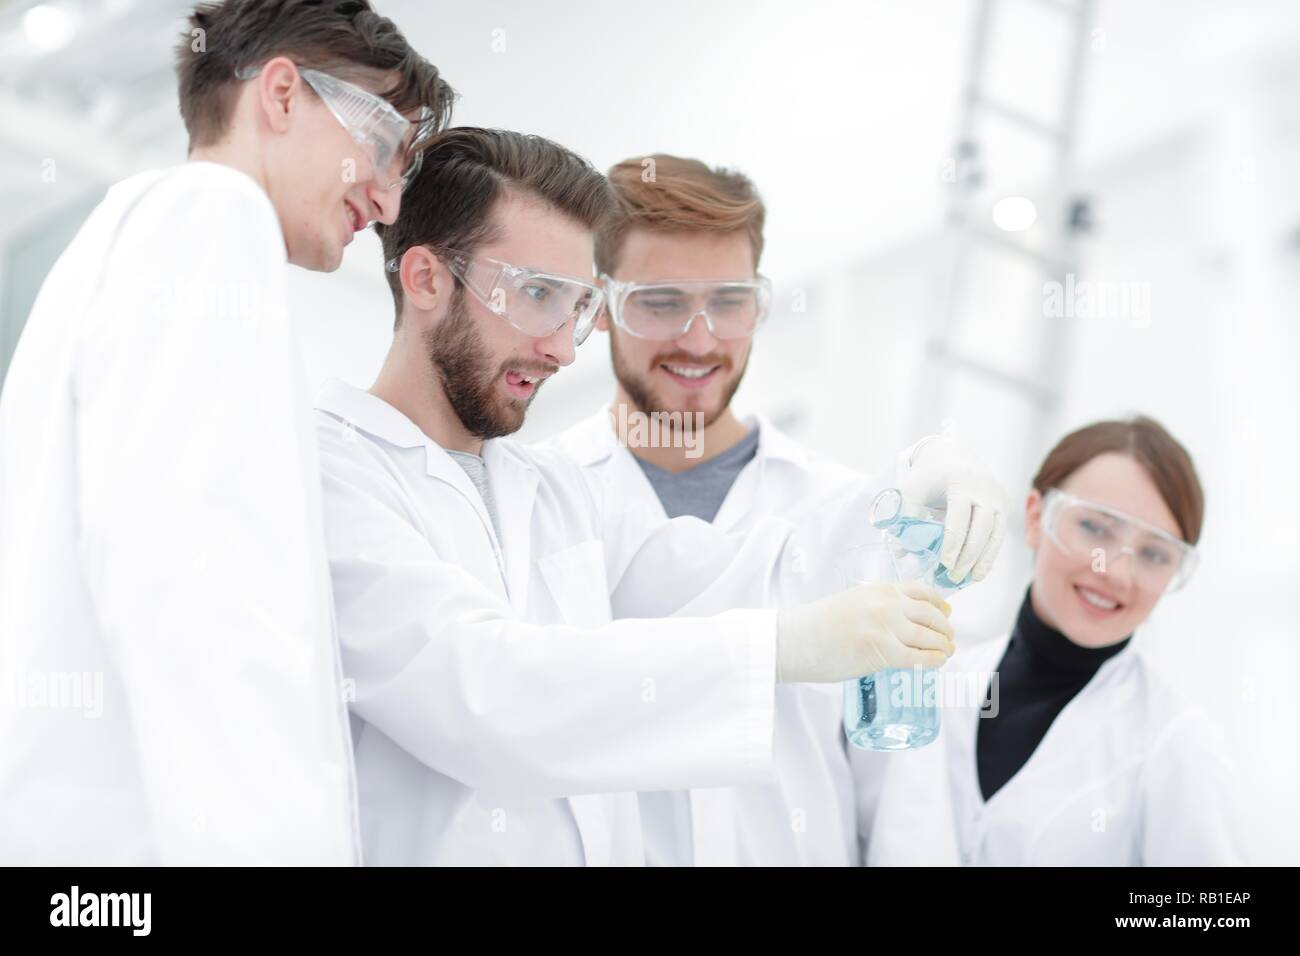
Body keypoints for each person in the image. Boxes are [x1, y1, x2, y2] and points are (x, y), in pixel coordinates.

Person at [314, 127, 979, 865]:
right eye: (536, 295)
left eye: (575, 307)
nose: (564, 350)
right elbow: (488, 693)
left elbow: (741, 573)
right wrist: (785, 645)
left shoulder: (544, 490)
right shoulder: (331, 475)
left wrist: (912, 493)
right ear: (427, 279)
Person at [0, 0, 452, 864]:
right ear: (282, 95)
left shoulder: (126, 241)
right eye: (388, 144)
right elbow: (198, 589)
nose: (391, 202)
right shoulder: (209, 217)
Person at [540, 154, 1007, 865]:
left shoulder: (846, 514)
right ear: (600, 305)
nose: (699, 340)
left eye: (729, 301)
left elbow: (903, 797)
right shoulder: (546, 500)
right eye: (660, 301)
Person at [935, 417, 1245, 865]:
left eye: (1154, 554)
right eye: (1096, 529)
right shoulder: (944, 685)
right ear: (1036, 518)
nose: (1117, 572)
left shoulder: (1175, 744)